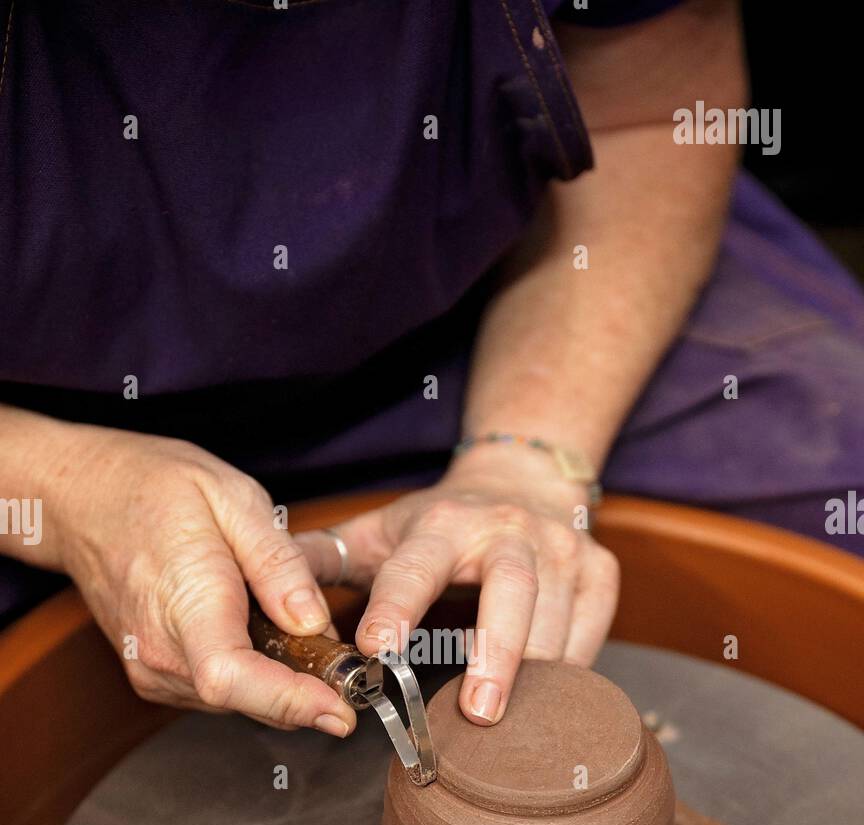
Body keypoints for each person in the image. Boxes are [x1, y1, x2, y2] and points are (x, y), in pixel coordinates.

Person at [1, 0, 862, 739]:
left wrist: (525, 460)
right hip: (44, 420)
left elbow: (646, 114)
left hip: (492, 299)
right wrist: (65, 488)